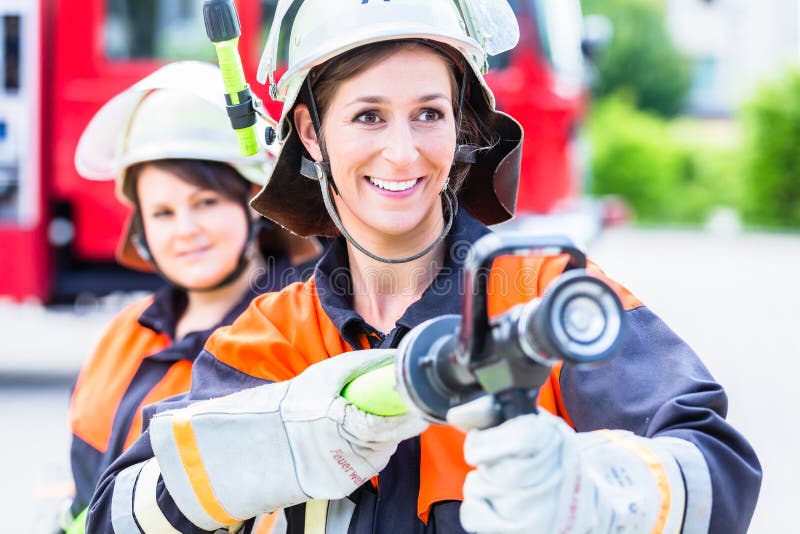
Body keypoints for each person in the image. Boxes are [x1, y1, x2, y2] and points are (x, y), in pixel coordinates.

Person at [86, 2, 761, 533]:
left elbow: (720, 471)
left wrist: (599, 495)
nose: (404, 154)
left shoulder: (538, 294)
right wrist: (279, 438)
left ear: (463, 126)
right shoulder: (273, 337)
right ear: (313, 134)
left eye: (429, 114)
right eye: (369, 116)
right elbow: (117, 513)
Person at [64, 61, 319, 533]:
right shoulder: (127, 332)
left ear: (254, 202)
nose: (186, 230)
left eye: (206, 202)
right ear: (141, 229)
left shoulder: (302, 332)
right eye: (162, 212)